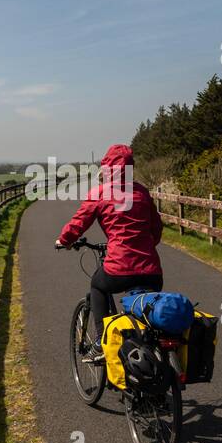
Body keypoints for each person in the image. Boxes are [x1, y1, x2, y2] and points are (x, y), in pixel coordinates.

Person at [54, 144, 163, 358]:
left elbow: (78, 223)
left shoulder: (101, 193)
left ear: (106, 168)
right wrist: (146, 246)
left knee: (97, 284)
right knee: (148, 317)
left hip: (119, 269)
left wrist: (64, 240)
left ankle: (102, 339)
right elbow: (156, 229)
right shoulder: (141, 192)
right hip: (152, 269)